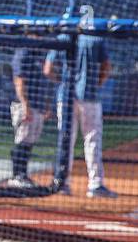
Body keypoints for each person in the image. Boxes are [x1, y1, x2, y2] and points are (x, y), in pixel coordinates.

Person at [46, 35, 115, 198]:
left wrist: (62, 82)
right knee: (92, 141)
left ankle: (61, 182)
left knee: (65, 141)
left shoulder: (62, 37)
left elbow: (47, 69)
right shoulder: (96, 39)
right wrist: (95, 84)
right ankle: (95, 185)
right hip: (90, 96)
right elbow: (107, 67)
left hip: (66, 97)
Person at [8, 46, 53, 190]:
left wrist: (45, 104)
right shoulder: (23, 52)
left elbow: (44, 81)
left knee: (30, 141)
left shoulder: (38, 53)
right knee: (22, 140)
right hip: (25, 105)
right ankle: (16, 176)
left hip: (37, 104)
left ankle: (23, 174)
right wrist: (25, 104)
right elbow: (19, 79)